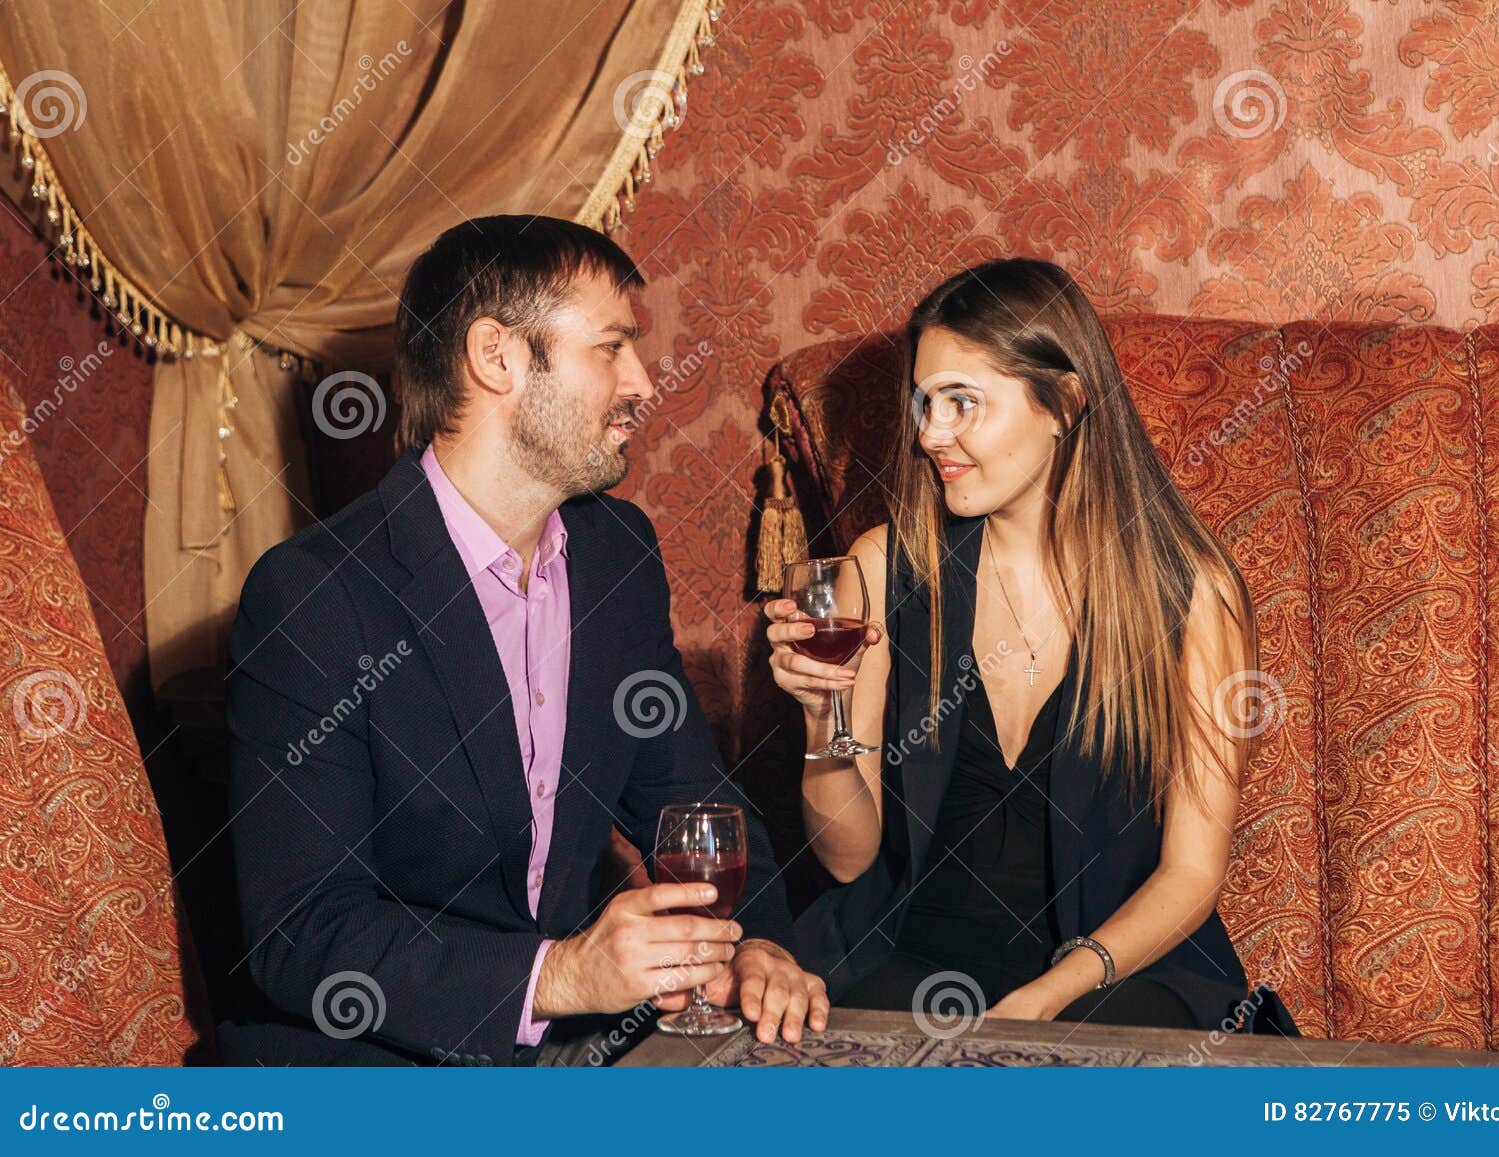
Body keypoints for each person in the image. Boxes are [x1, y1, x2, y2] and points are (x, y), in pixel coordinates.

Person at [220, 215, 827, 1066]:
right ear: (496, 356)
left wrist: (756, 941)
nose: (642, 381)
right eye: (611, 347)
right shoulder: (315, 595)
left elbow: (689, 795)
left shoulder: (616, 553)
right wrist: (559, 977)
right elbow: (304, 931)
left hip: (565, 1055)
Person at [765, 257, 1298, 1037]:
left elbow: (1192, 872)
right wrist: (824, 722)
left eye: (962, 403)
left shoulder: (1190, 591)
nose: (929, 434)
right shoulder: (881, 568)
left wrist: (1049, 996)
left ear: (1064, 404)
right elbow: (848, 858)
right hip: (910, 956)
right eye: (924, 403)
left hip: (1109, 970)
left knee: (1101, 1054)